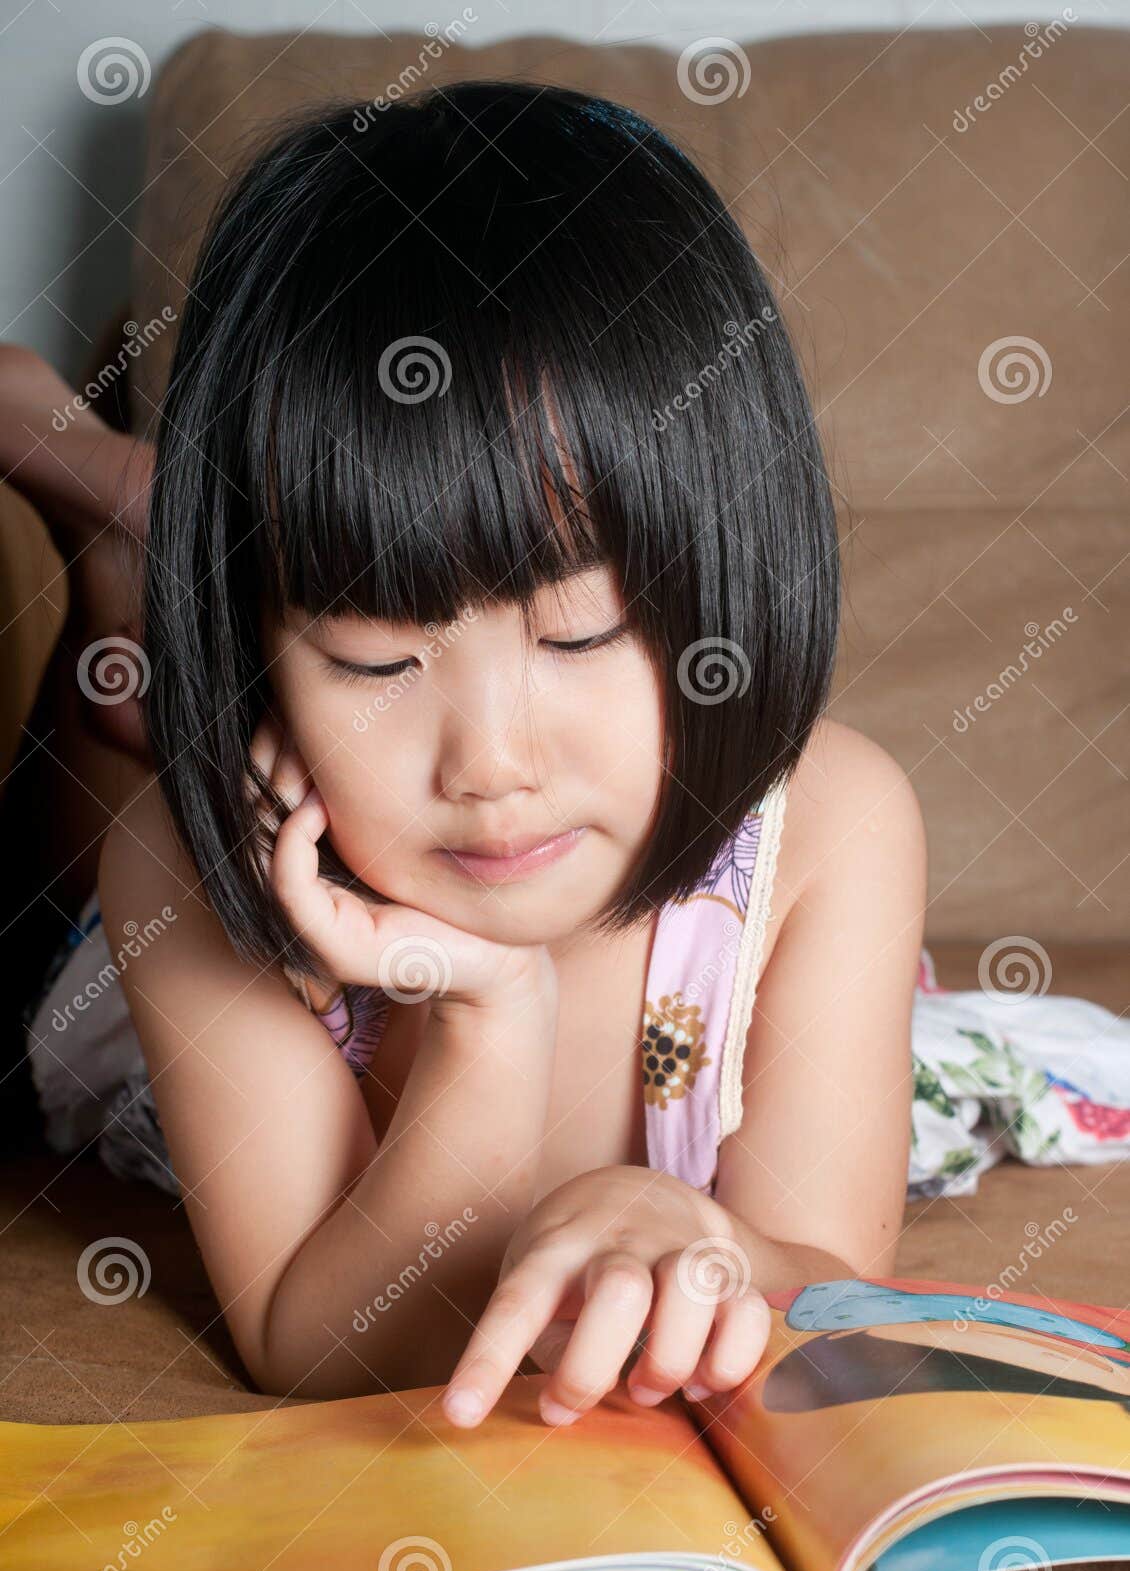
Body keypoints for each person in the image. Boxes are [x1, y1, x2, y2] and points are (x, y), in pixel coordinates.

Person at [6, 80, 927, 1432]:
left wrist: (691, 1235)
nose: (490, 763)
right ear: (267, 645)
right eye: (376, 656)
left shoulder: (832, 824)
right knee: (91, 832)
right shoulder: (186, 869)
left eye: (582, 630)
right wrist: (488, 1020)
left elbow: (826, 1280)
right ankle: (111, 542)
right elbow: (303, 1343)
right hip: (240, 864)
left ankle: (133, 537)